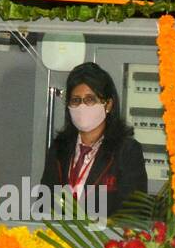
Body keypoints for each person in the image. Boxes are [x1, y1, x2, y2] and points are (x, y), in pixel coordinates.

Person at [39, 61, 147, 216]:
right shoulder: (59, 148)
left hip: (105, 238)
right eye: (75, 100)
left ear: (108, 104)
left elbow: (134, 214)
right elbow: (43, 206)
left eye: (90, 99)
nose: (82, 106)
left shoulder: (126, 151)